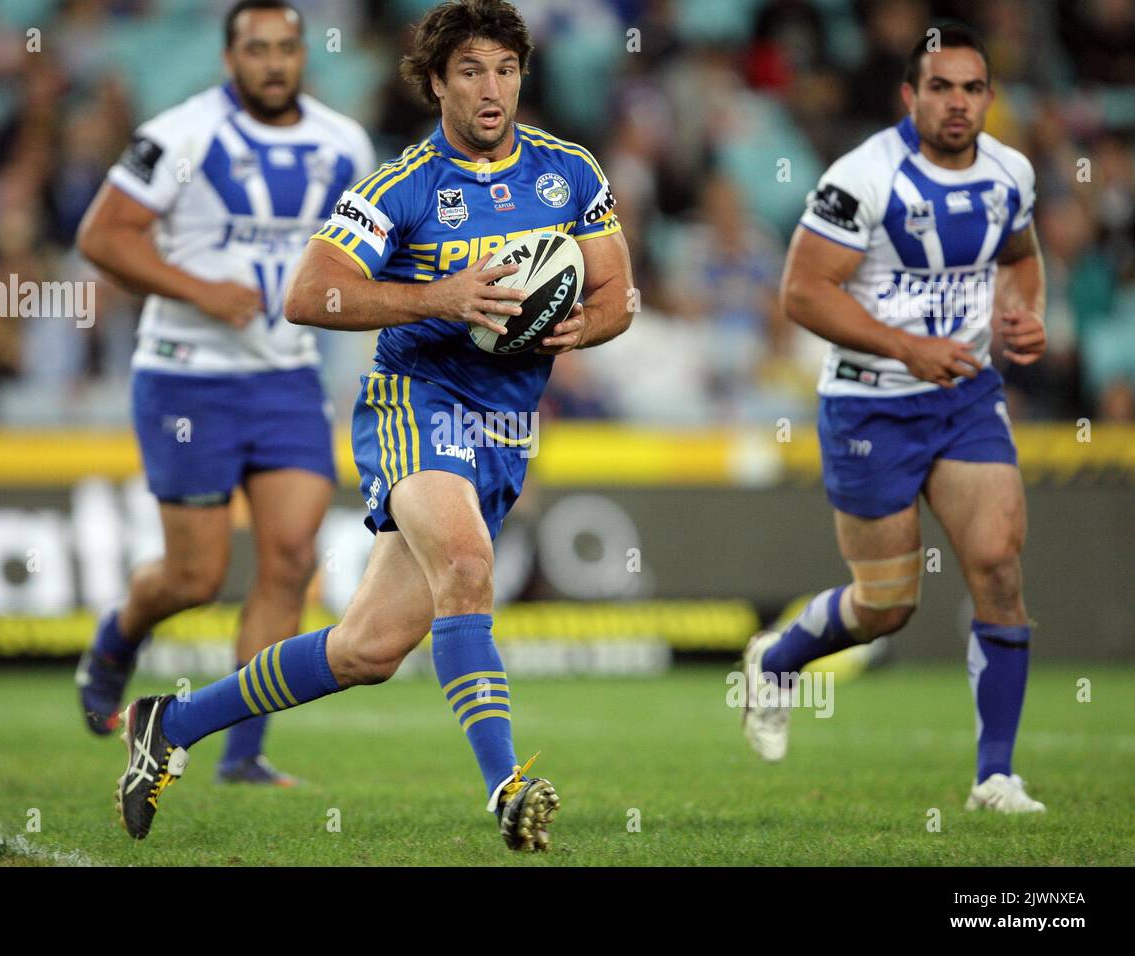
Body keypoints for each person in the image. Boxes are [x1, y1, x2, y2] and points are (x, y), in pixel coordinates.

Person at [112, 0, 634, 851]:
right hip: (416, 403)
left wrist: (582, 325)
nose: (490, 87)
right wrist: (442, 297)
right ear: (436, 83)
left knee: (367, 649)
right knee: (468, 565)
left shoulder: (568, 172)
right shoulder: (401, 186)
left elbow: (615, 293)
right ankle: (505, 785)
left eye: (504, 68)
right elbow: (305, 293)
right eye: (470, 70)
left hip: (507, 425)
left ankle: (169, 723)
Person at [743, 24, 1049, 813]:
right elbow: (804, 292)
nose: (957, 103)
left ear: (989, 96)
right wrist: (905, 348)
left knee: (999, 567)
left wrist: (1022, 314)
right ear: (909, 95)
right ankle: (777, 661)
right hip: (868, 403)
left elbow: (1018, 257)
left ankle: (995, 776)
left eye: (972, 88)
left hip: (965, 397)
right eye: (940, 87)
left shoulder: (1010, 170)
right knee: (886, 604)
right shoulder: (862, 177)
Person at [74, 0, 374, 785]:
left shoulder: (344, 143)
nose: (273, 62)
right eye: (257, 49)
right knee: (194, 579)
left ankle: (242, 755)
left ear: (305, 55)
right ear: (229, 56)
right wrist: (197, 289)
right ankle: (116, 641)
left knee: (291, 558)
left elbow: (367, 254)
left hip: (286, 375)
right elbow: (102, 235)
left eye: (286, 48)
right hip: (187, 376)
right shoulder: (178, 135)